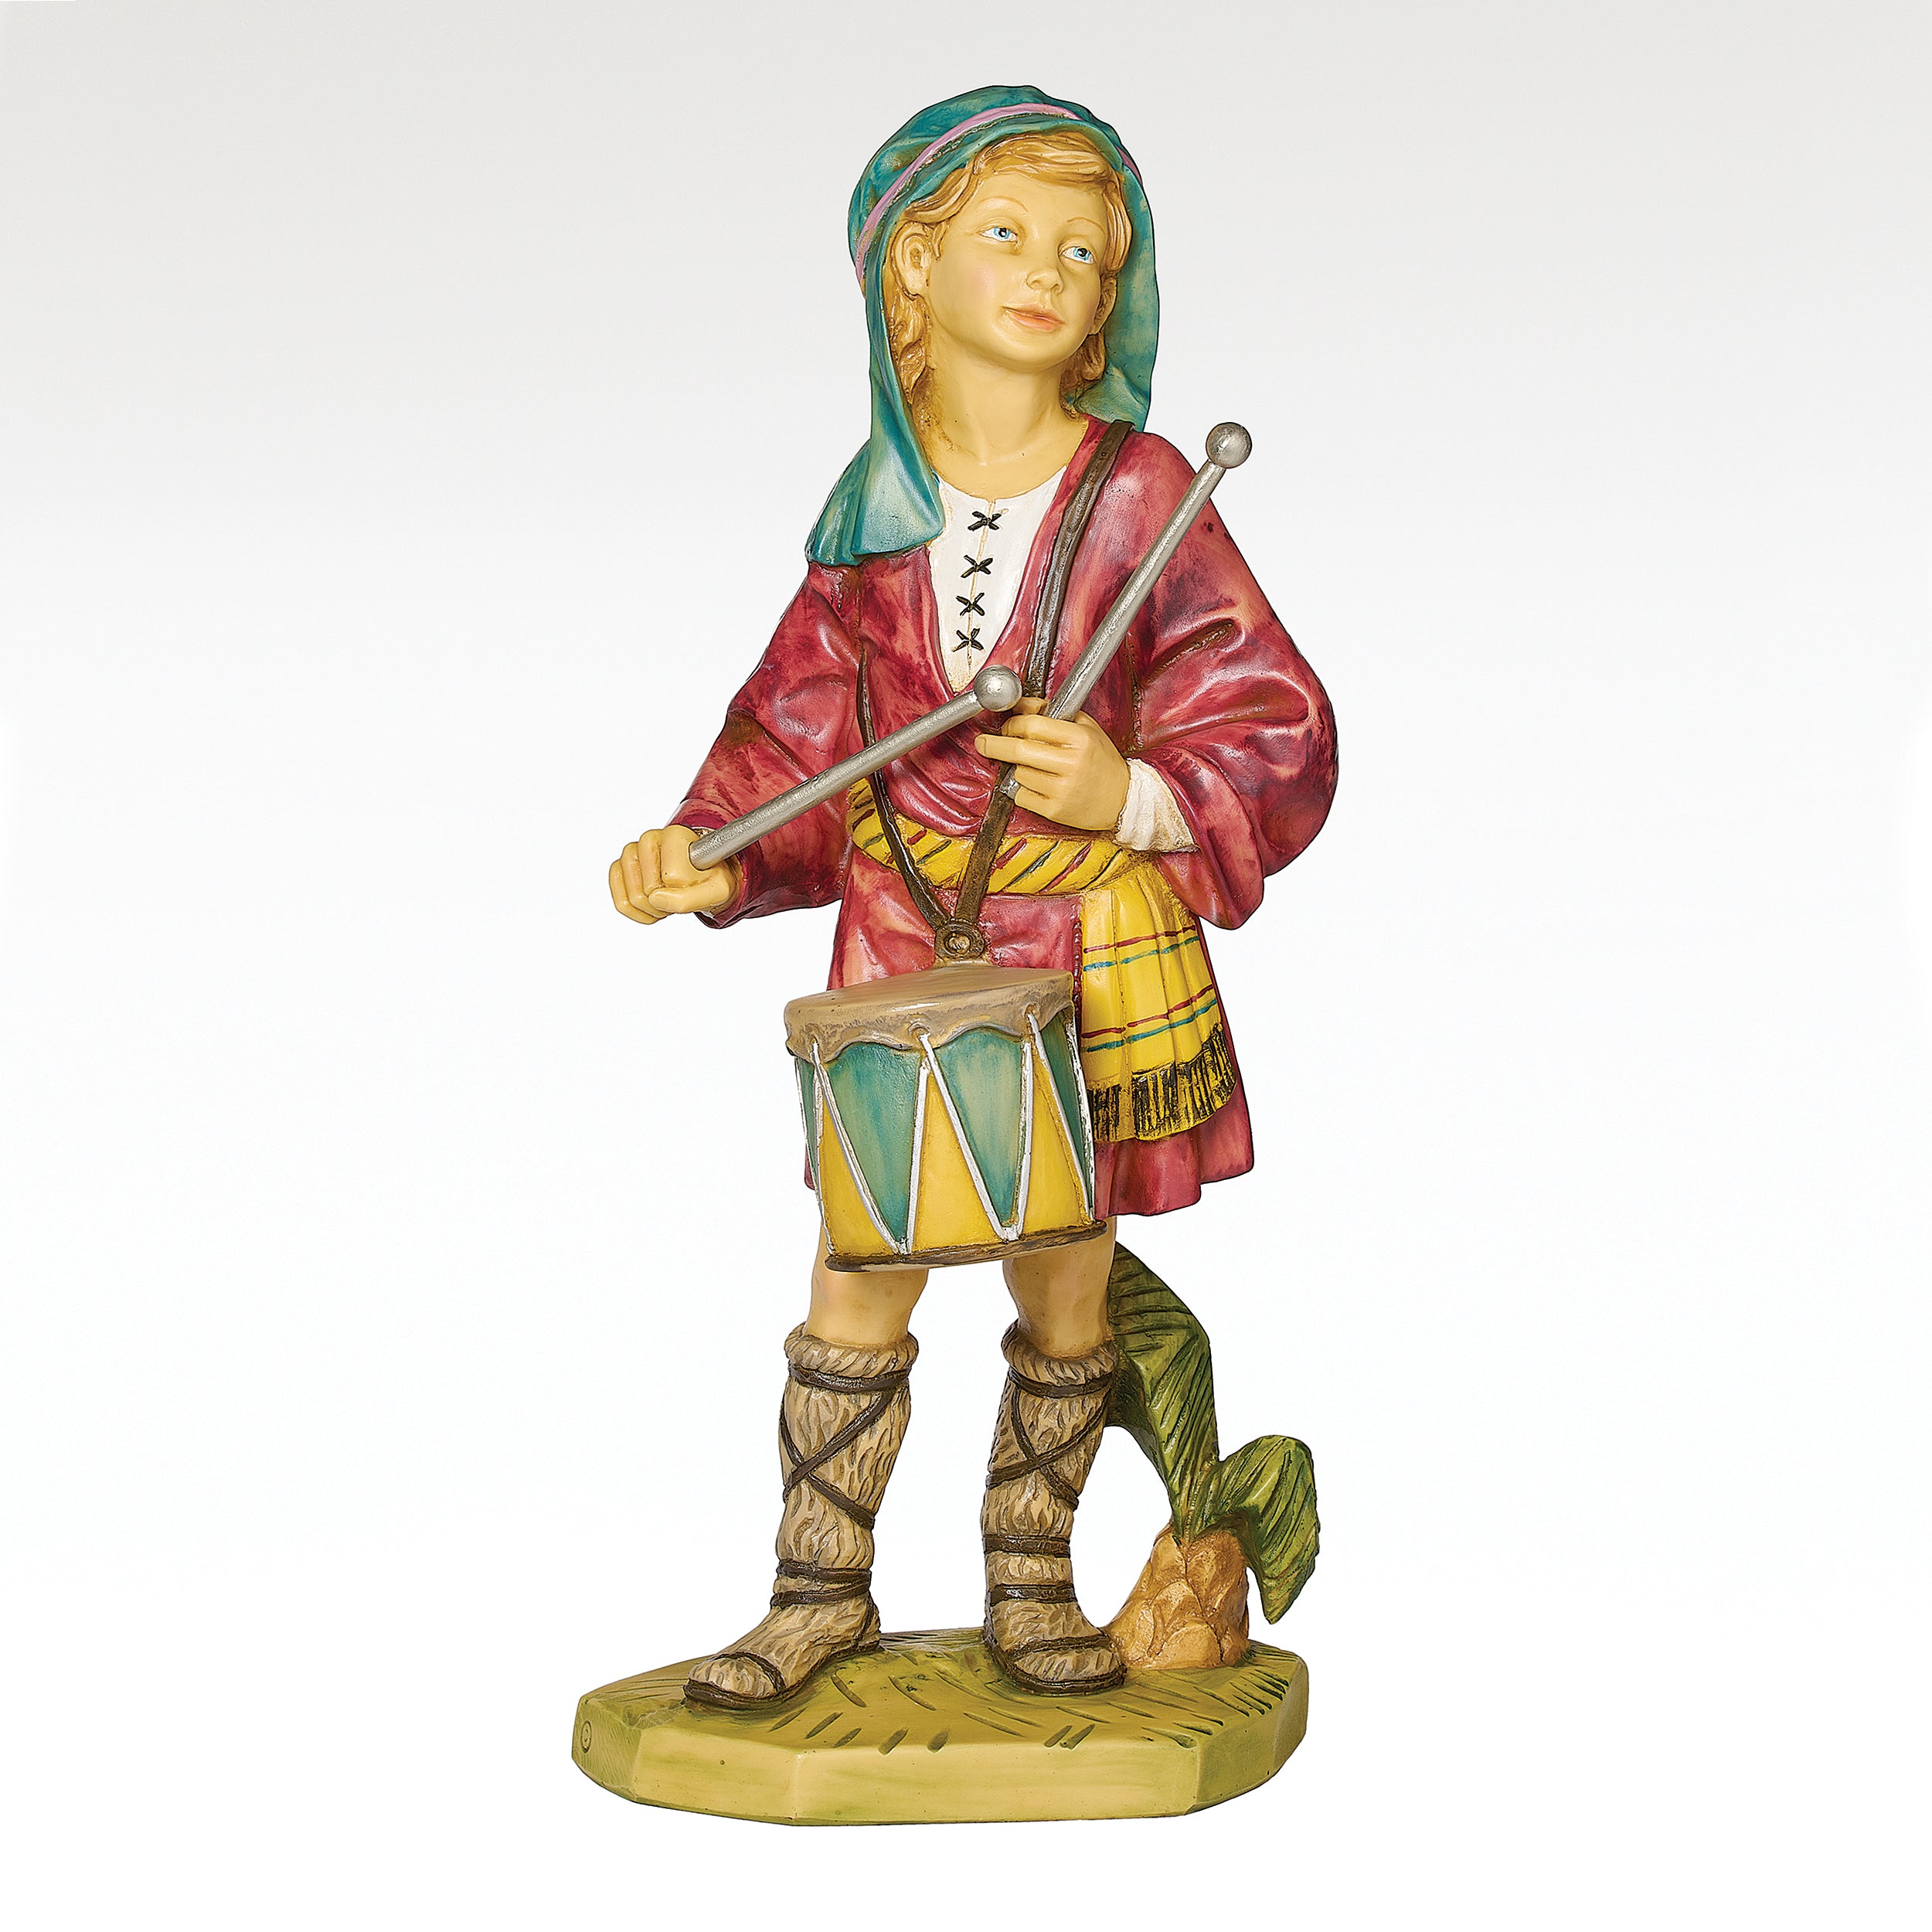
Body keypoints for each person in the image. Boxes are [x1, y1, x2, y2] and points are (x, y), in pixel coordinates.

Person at [609, 86, 1337, 1706]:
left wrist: (1130, 791)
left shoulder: (1143, 495)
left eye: (1083, 251)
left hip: (1080, 932)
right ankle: (816, 1590)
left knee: (1062, 1269)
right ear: (912, 273)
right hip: (903, 927)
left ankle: (1032, 1584)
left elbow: (1272, 715)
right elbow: (797, 731)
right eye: (1006, 234)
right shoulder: (869, 521)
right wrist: (714, 847)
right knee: (860, 1264)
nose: (1048, 272)